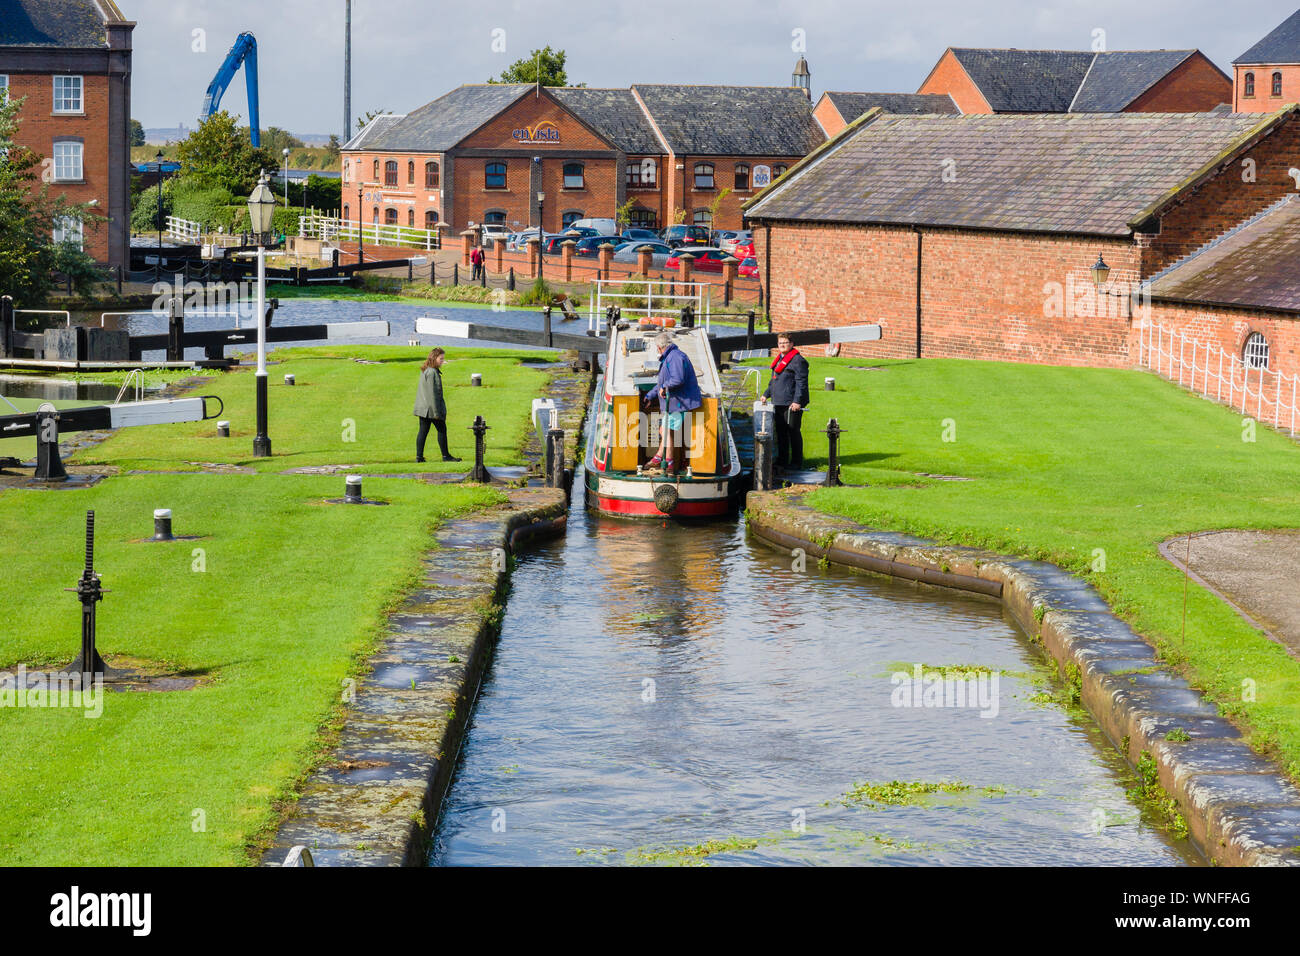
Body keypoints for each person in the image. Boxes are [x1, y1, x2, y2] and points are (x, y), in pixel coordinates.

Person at [644, 330, 702, 475]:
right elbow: (662, 382)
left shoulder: (674, 357)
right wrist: (650, 395)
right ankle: (663, 458)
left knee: (664, 430)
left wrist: (664, 387)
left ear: (659, 347)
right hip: (676, 402)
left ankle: (666, 460)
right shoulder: (671, 356)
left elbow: (678, 379)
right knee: (665, 430)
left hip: (679, 403)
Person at [763, 332, 809, 471]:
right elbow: (774, 381)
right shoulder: (779, 359)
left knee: (793, 432)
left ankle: (796, 462)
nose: (782, 345)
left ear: (792, 344)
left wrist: (797, 401)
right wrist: (766, 394)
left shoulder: (798, 360)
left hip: (791, 403)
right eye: (780, 343)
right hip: (778, 402)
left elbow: (802, 383)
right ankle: (782, 461)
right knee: (781, 433)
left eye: (785, 343)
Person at [413, 347, 462, 463]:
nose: (442, 361)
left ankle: (419, 457)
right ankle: (446, 456)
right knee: (441, 430)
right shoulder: (432, 372)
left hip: (423, 408)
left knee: (423, 431)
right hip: (430, 409)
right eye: (441, 359)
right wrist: (436, 413)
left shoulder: (427, 370)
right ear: (434, 358)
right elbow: (433, 394)